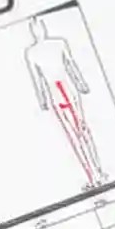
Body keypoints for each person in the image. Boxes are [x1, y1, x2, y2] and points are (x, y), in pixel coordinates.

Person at [25, 16, 107, 189]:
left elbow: (70, 65)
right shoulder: (37, 51)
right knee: (78, 134)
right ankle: (94, 175)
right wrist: (43, 100)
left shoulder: (55, 44)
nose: (38, 29)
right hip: (60, 93)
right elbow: (38, 79)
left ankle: (97, 172)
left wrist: (81, 83)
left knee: (81, 131)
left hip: (65, 91)